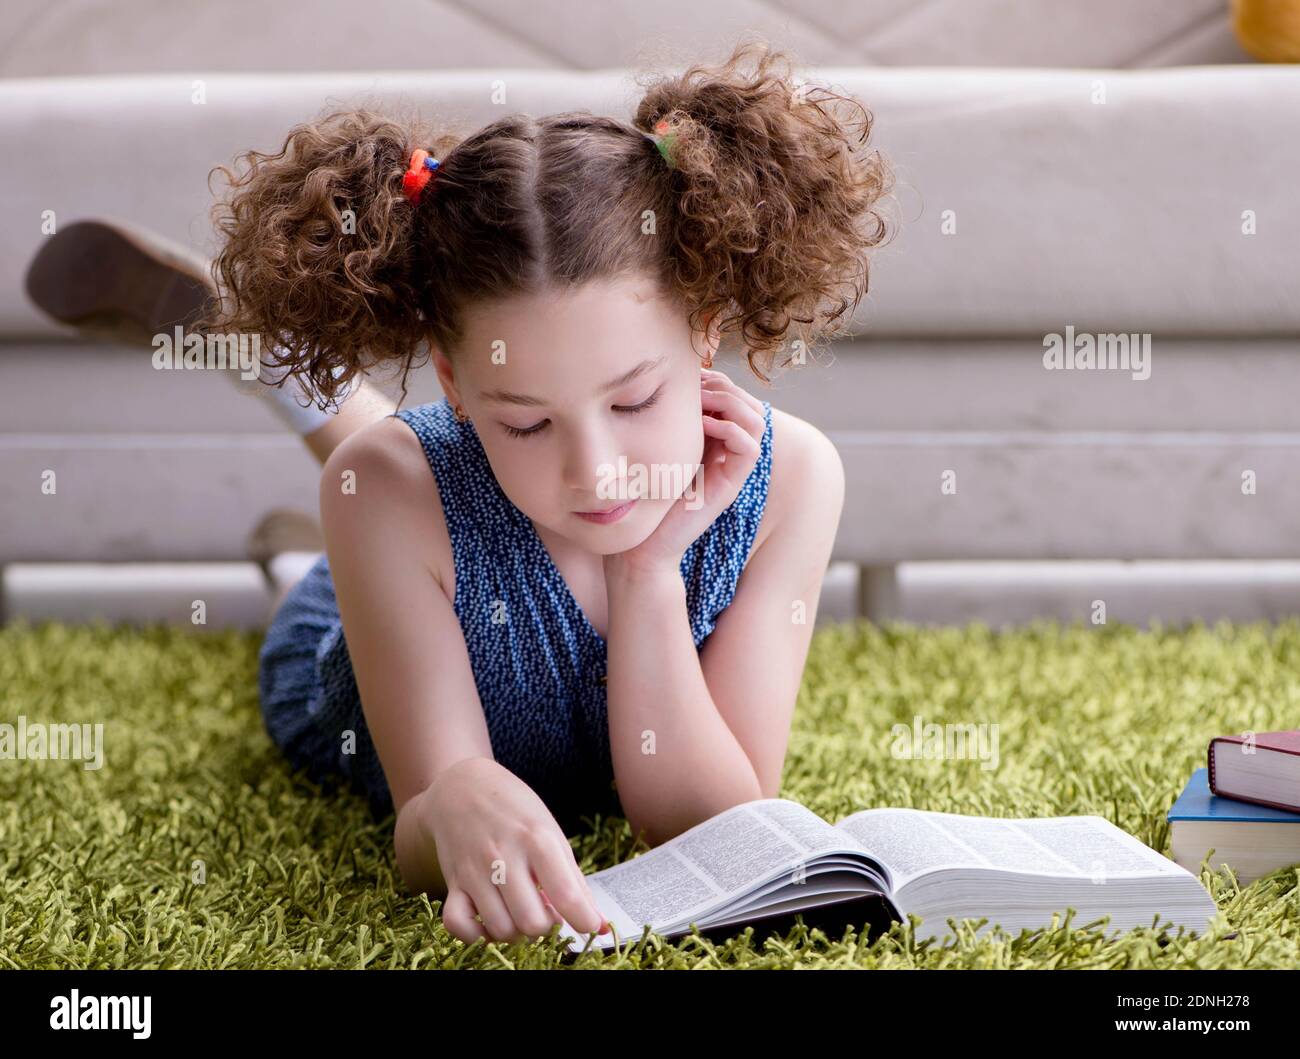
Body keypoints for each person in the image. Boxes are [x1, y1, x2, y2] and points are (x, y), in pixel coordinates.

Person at [25, 38, 893, 947]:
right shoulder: (381, 492)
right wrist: (450, 801)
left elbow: (713, 829)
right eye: (527, 420)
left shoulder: (791, 475)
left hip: (427, 512)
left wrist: (647, 569)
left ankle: (291, 378)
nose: (599, 472)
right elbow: (418, 824)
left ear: (706, 333)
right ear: (449, 377)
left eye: (636, 400)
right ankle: (294, 401)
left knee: (393, 465)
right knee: (374, 474)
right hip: (349, 631)